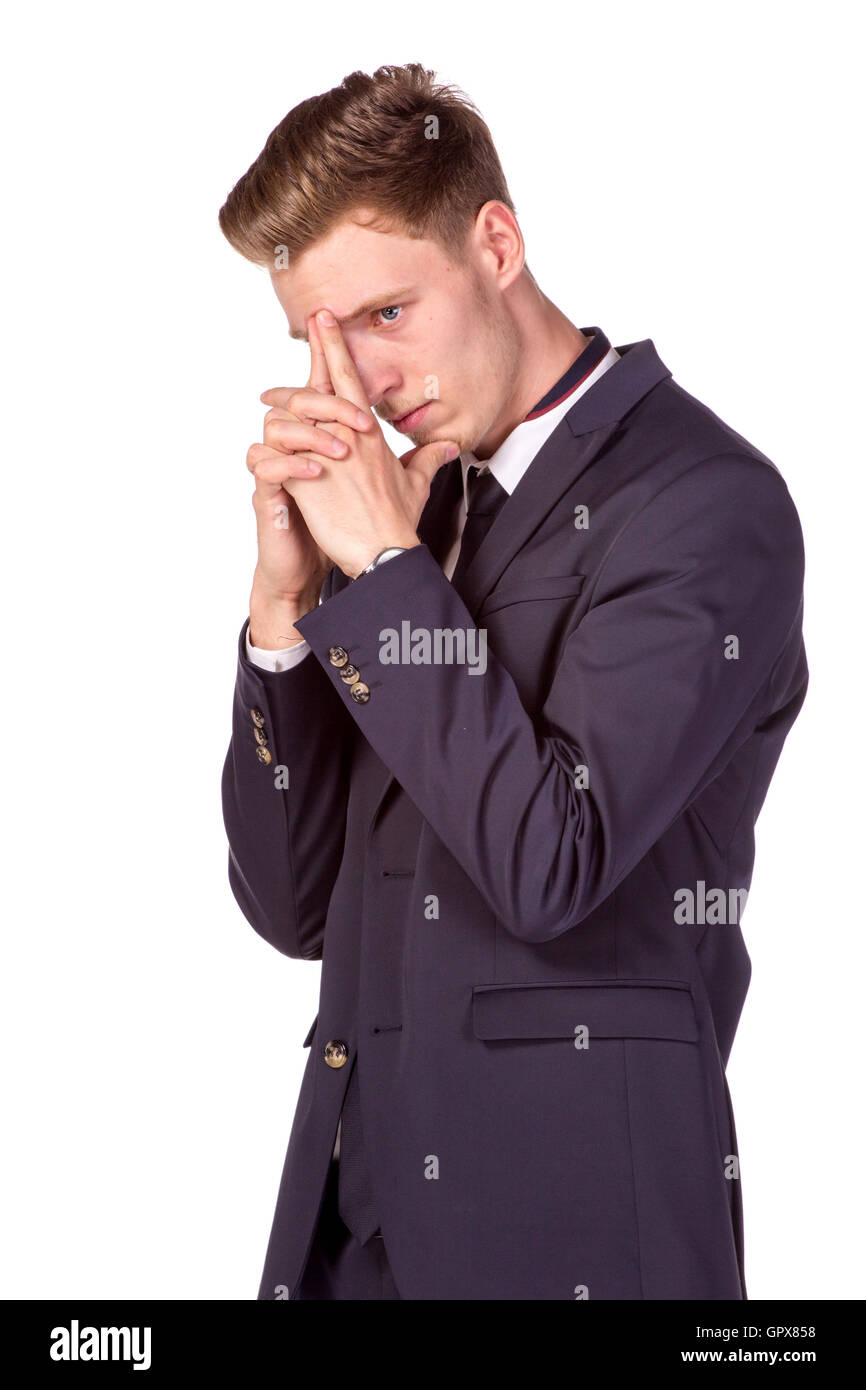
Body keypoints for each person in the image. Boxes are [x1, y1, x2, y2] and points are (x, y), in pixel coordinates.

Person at [219, 62, 808, 1300]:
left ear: (496, 243)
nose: (363, 385)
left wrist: (381, 567)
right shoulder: (423, 514)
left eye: (384, 314)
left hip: (575, 1230)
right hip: (349, 1228)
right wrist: (284, 615)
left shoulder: (703, 502)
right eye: (316, 340)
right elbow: (297, 908)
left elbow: (554, 866)